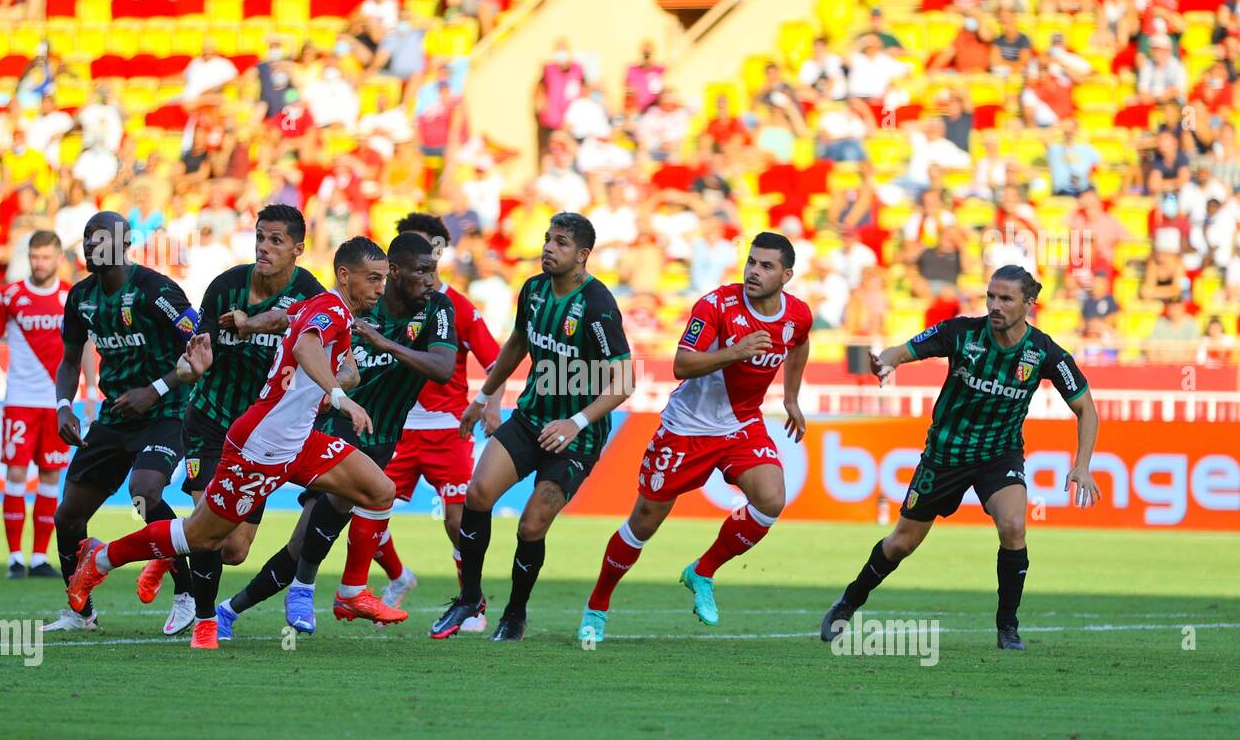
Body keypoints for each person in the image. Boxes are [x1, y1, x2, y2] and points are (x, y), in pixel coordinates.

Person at [64, 237, 397, 650]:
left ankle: (351, 592)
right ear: (345, 276)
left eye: (383, 279)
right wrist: (339, 395)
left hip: (299, 442)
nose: (381, 288)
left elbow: (300, 334)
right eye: (374, 279)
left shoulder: (329, 310)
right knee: (203, 539)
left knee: (381, 491)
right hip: (262, 445)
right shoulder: (328, 309)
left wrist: (334, 374)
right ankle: (98, 559)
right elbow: (307, 344)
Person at [820, 265, 1101, 651]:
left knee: (1014, 526)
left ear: (1029, 304)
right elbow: (902, 350)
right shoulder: (962, 333)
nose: (995, 305)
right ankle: (849, 602)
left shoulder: (1044, 352)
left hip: (998, 455)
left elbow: (1086, 408)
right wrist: (886, 361)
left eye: (1006, 299)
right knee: (901, 543)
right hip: (945, 455)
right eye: (991, 296)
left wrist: (1082, 464)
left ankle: (1007, 627)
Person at [215, 232, 457, 641]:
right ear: (392, 272)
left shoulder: (434, 309)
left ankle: (230, 609)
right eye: (422, 271)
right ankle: (334, 592)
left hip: (377, 438)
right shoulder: (345, 307)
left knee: (305, 542)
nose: (431, 280)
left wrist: (379, 347)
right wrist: (249, 322)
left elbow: (442, 367)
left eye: (433, 270)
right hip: (328, 432)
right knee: (284, 538)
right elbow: (295, 319)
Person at [579, 232, 811, 641]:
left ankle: (702, 571)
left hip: (740, 423)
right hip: (686, 429)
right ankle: (597, 607)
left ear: (786, 275)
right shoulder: (717, 305)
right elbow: (681, 365)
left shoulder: (797, 315)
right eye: (751, 262)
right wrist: (734, 352)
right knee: (643, 523)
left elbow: (799, 344)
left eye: (766, 266)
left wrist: (791, 397)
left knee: (771, 498)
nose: (754, 272)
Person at [430, 213, 633, 641]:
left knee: (531, 525)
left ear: (582, 255)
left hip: (577, 436)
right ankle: (469, 597)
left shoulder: (597, 306)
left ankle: (515, 615)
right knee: (477, 493)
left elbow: (625, 380)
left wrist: (577, 422)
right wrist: (484, 395)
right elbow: (518, 343)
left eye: (560, 242)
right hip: (530, 418)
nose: (548, 248)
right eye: (546, 239)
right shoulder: (534, 290)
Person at [157, 204, 327, 632]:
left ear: (298, 249)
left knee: (234, 549)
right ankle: (204, 621)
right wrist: (197, 364)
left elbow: (326, 350)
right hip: (211, 420)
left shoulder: (310, 295)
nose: (264, 248)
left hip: (260, 434)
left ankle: (167, 546)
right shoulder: (225, 285)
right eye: (259, 237)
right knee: (210, 534)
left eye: (276, 241)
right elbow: (202, 345)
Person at [44, 213, 200, 633]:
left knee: (144, 492)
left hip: (167, 410)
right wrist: (62, 405)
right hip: (116, 415)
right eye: (86, 238)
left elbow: (203, 344)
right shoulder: (80, 297)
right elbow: (70, 359)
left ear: (124, 242)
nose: (91, 245)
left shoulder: (156, 290)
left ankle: (187, 594)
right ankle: (81, 613)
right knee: (68, 516)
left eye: (101, 238)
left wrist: (157, 388)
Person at [373, 213, 503, 631]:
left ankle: (473, 603)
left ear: (440, 252)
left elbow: (497, 361)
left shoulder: (457, 308)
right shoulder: (381, 302)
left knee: (456, 521)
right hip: (395, 428)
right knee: (362, 511)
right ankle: (397, 576)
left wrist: (490, 403)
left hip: (447, 429)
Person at [0, 231, 96, 578]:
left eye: (45, 257)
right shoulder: (10, 295)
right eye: (34, 257)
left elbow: (86, 346)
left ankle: (40, 557)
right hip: (19, 400)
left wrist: (89, 393)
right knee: (15, 474)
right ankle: (15, 557)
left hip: (56, 403)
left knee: (49, 476)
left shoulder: (71, 297)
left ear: (59, 258)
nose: (39, 263)